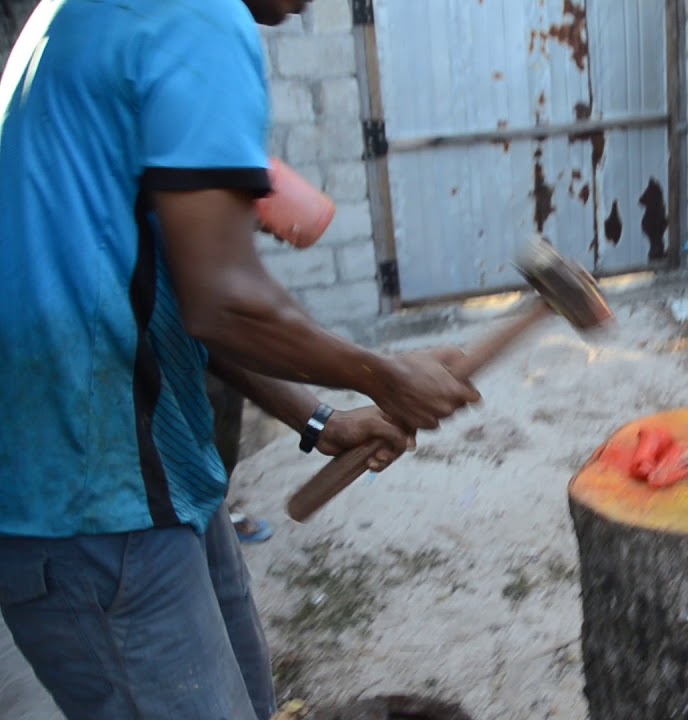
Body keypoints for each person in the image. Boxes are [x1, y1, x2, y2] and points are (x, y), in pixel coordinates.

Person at [0, 1, 480, 718]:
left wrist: (321, 420)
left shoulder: (93, 15)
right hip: (93, 495)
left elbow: (180, 295)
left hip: (147, 478)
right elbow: (223, 301)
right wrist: (384, 375)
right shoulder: (195, 13)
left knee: (250, 699)